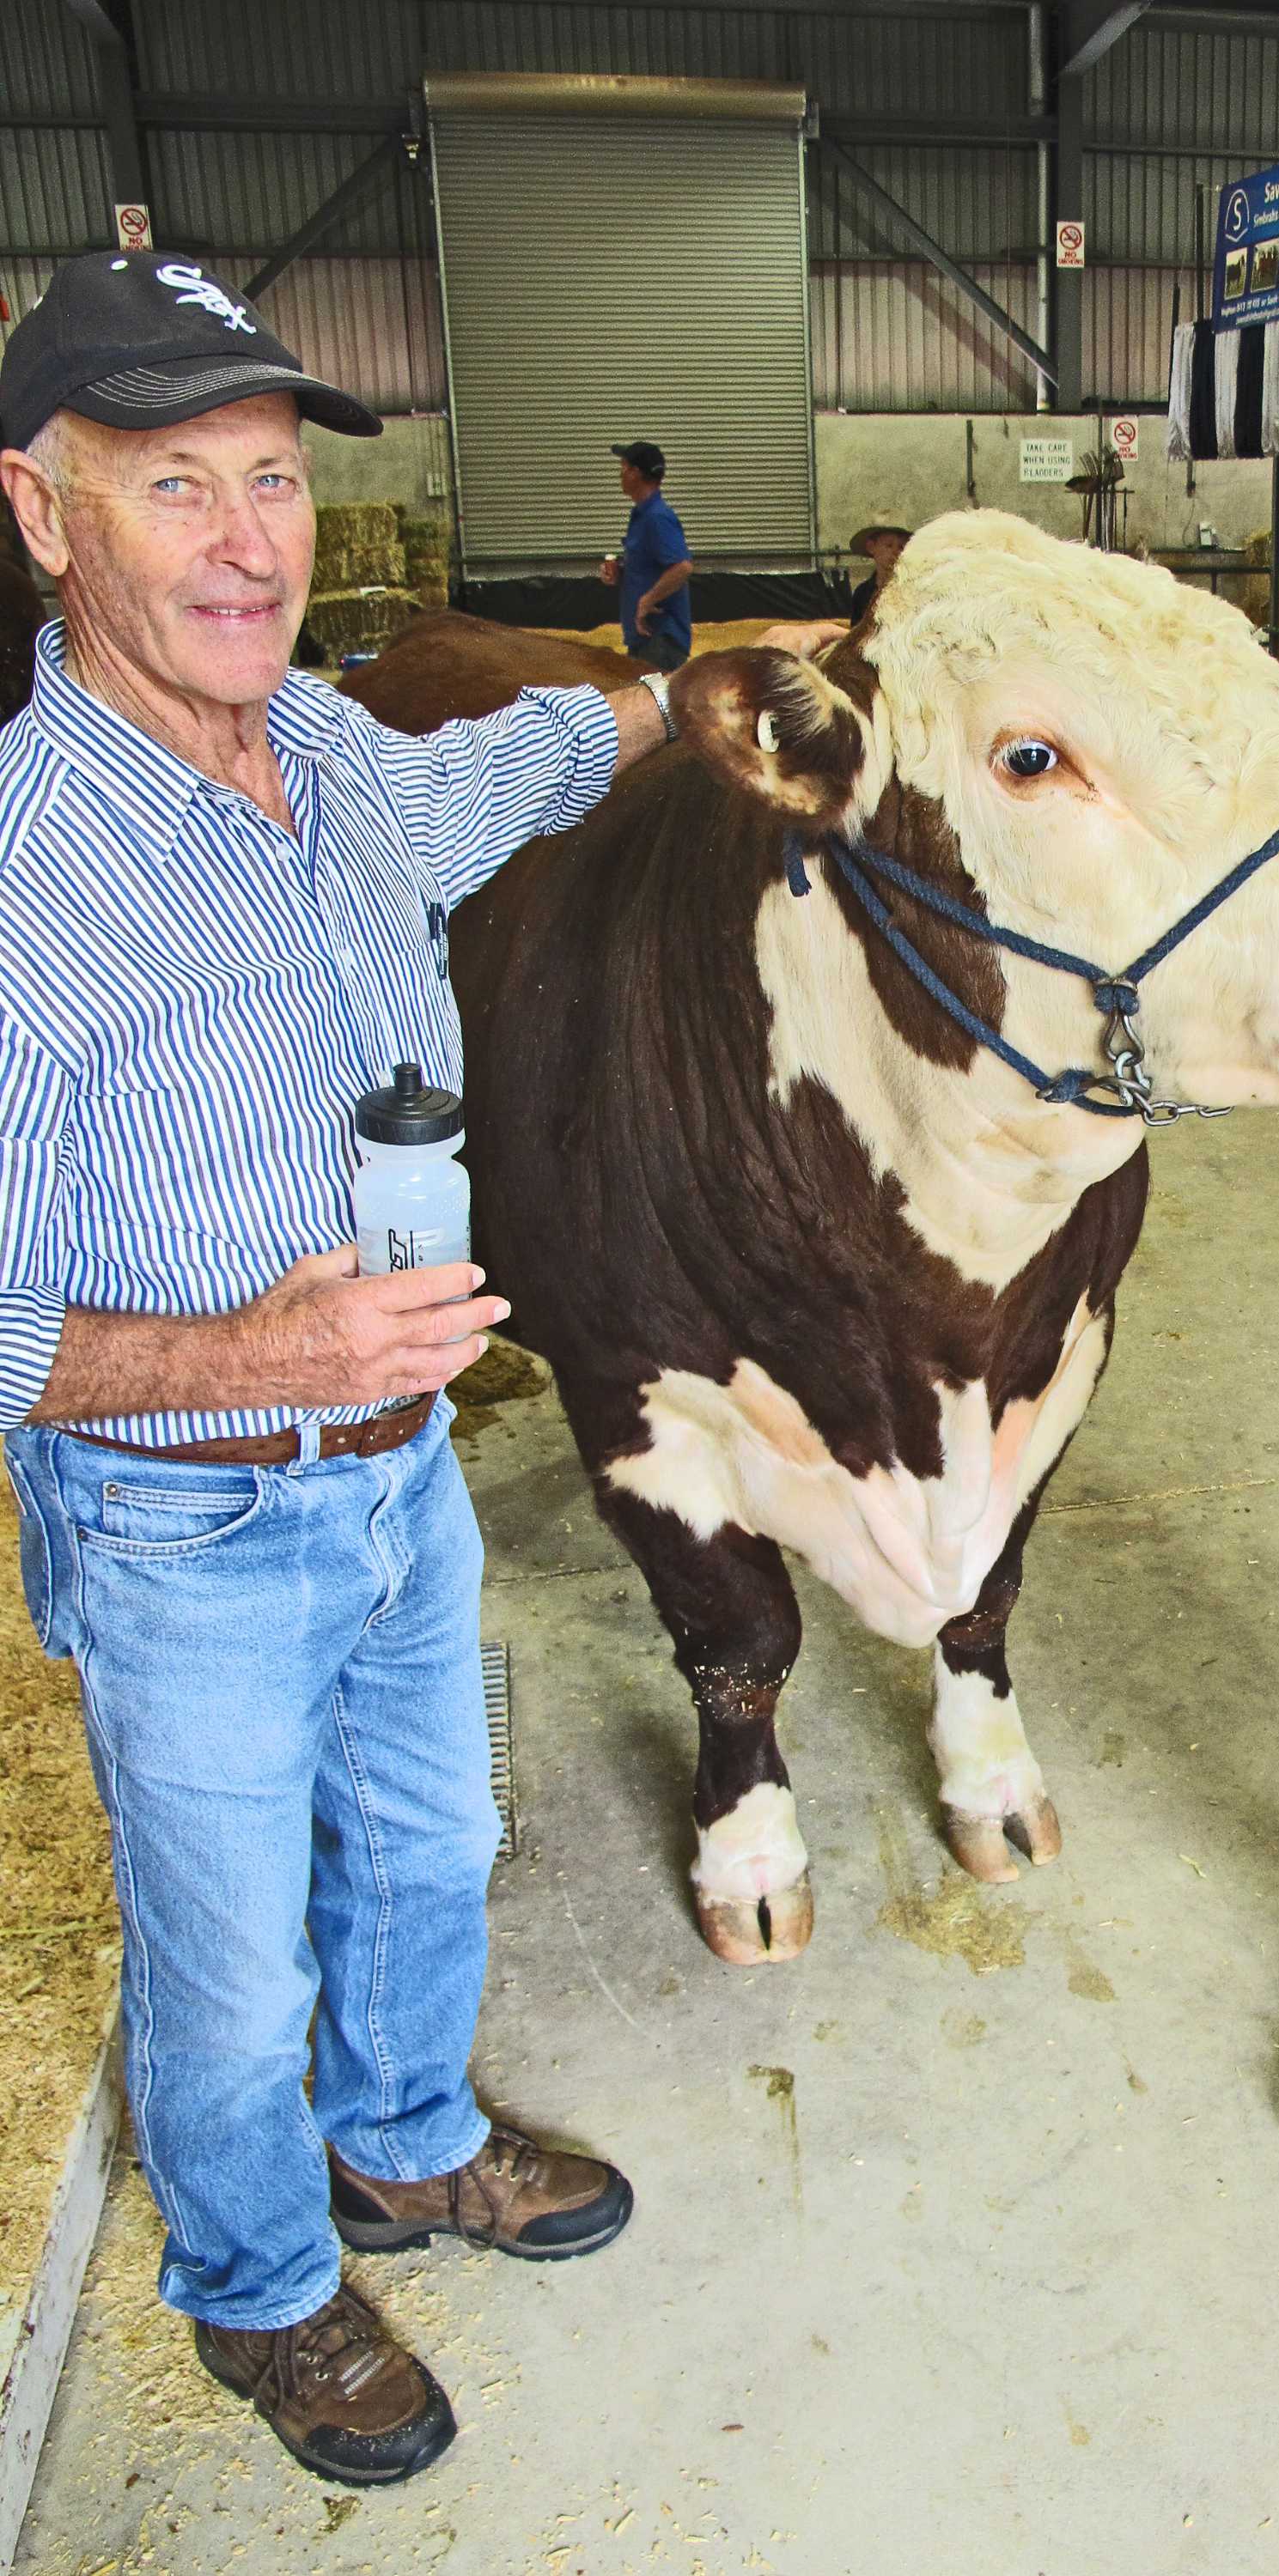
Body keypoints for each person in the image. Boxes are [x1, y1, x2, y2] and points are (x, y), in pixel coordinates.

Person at [0, 251, 685, 2486]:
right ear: (44, 512)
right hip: (187, 1509)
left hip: (398, 1468)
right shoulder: (25, 875)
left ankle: (400, 2146)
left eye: (272, 480)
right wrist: (243, 1345)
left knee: (427, 1843)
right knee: (220, 1966)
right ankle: (261, 2287)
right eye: (173, 482)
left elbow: (526, 758)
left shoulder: (329, 754)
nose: (246, 538)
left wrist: (711, 701)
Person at [600, 438, 692, 670]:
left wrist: (647, 601)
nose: (620, 474)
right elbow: (650, 566)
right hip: (645, 639)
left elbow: (682, 567)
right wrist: (619, 573)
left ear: (635, 473)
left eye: (623, 468)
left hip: (660, 641)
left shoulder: (657, 517)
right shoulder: (642, 515)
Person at [847, 520, 911, 623]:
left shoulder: (911, 591)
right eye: (889, 545)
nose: (896, 552)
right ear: (871, 547)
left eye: (901, 547)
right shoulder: (862, 594)